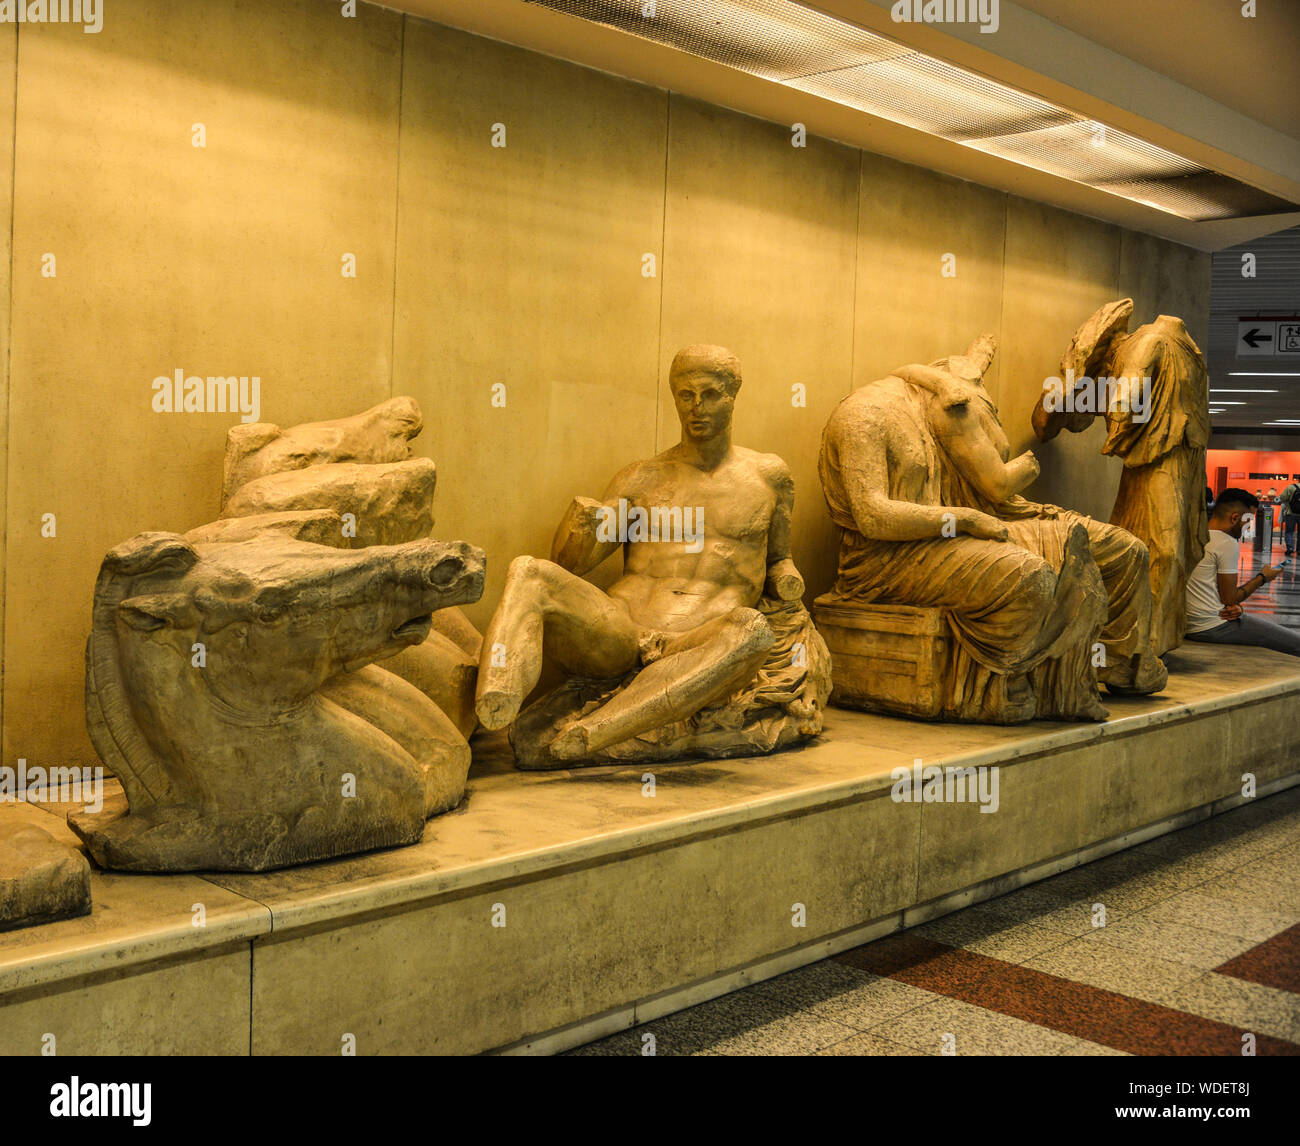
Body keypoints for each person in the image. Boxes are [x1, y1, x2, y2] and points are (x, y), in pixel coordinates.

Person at [1184, 488, 1300, 656]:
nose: (1248, 526)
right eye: (1249, 520)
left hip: (1188, 624)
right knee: (1294, 642)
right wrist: (1263, 577)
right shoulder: (1226, 542)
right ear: (1235, 518)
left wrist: (1235, 607)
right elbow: (1230, 598)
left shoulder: (1195, 536)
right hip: (1212, 626)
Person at [1281, 478, 1299, 556]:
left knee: (1289, 531)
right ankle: (1299, 550)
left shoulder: (1291, 487)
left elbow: (1282, 498)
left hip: (1290, 513)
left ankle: (1290, 548)